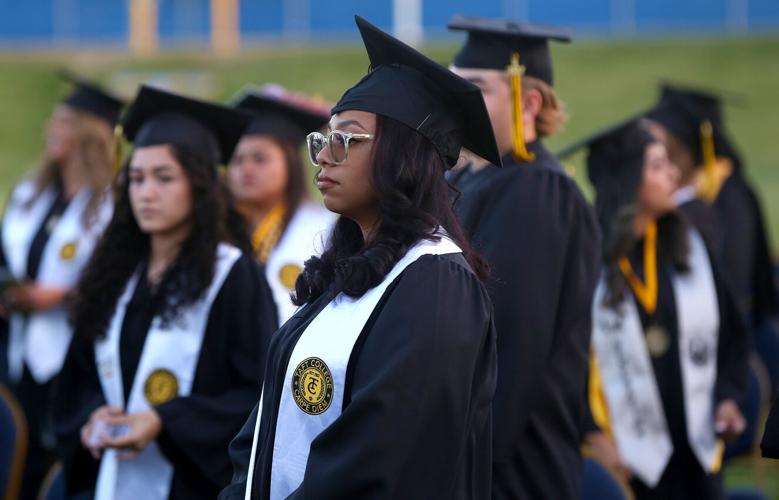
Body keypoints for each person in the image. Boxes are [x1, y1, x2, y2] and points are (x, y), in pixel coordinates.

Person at [220, 16, 500, 500]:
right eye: (323, 139)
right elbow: (266, 425)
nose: (325, 155)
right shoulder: (348, 276)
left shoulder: (435, 284)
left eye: (346, 139)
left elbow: (382, 459)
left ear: (404, 155)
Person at [51, 86, 278, 500]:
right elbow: (79, 376)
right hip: (107, 478)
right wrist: (91, 415)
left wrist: (165, 420)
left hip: (190, 486)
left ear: (200, 184)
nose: (146, 193)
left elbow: (257, 395)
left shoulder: (234, 276)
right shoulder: (115, 273)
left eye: (164, 178)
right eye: (136, 179)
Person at [446, 15, 601, 499]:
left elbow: (509, 339)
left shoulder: (537, 190)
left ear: (528, 101)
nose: (457, 103)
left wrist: (467, 455)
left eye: (475, 89)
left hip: (511, 464)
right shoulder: (474, 179)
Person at [569, 119, 749, 499]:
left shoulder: (692, 250)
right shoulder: (585, 263)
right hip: (628, 463)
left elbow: (734, 334)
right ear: (627, 179)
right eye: (657, 165)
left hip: (696, 457)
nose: (673, 173)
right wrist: (591, 433)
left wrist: (728, 398)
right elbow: (564, 364)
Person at [0, 72, 120, 497]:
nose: (53, 128)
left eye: (66, 121)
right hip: (17, 353)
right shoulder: (32, 193)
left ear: (89, 133)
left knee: (53, 466)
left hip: (72, 354)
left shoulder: (110, 204)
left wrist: (62, 296)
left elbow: (114, 280)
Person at [645, 83, 777, 328]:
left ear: (682, 149)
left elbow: (734, 284)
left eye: (661, 149)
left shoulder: (729, 196)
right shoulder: (681, 193)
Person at [228, 84, 336, 323]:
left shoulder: (326, 230)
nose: (246, 169)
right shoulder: (219, 233)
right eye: (237, 160)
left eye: (260, 159)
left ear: (290, 163)